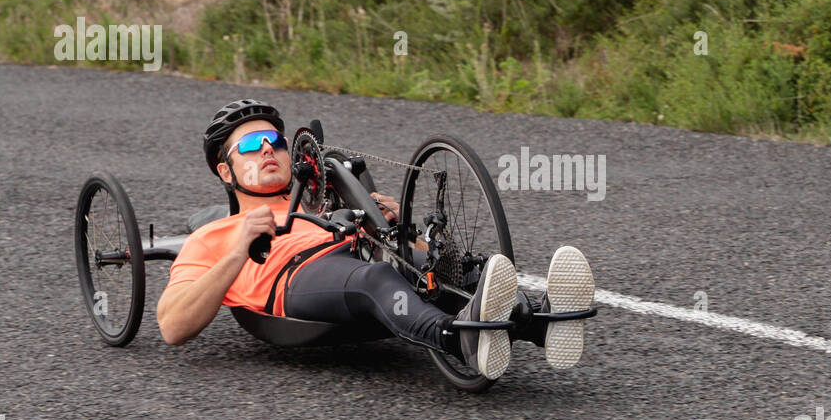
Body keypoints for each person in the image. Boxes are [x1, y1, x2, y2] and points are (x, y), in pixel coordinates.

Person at [156, 99, 594, 380]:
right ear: (226, 171)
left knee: (456, 267)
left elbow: (419, 260)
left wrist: (396, 225)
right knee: (376, 279)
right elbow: (172, 326)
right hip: (294, 281)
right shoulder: (212, 236)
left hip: (350, 255)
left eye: (275, 139)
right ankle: (455, 340)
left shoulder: (319, 210)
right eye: (252, 144)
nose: (269, 148)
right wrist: (237, 250)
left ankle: (540, 323)